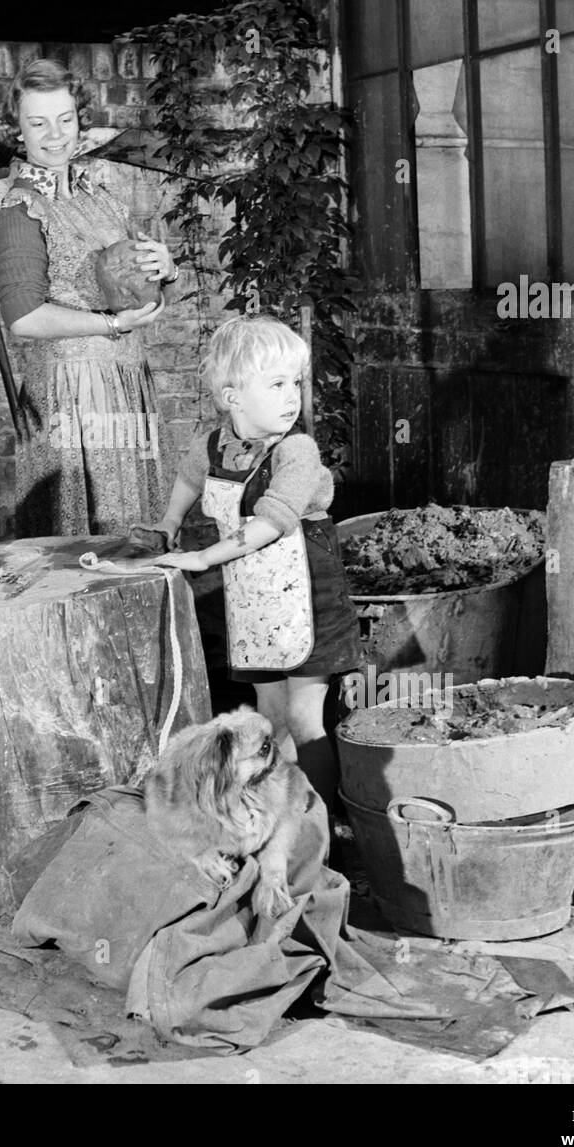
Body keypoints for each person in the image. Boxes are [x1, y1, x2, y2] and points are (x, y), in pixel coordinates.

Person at [153, 316, 361, 817]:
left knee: (303, 716)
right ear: (232, 398)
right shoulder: (213, 446)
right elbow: (189, 477)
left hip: (309, 601)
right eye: (277, 385)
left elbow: (271, 523)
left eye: (296, 383)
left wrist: (203, 557)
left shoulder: (297, 451)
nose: (293, 397)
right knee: (269, 719)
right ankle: (278, 813)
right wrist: (169, 522)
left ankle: (321, 823)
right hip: (253, 604)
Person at [0, 58, 179, 537]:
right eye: (37, 123)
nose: (54, 135)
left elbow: (139, 294)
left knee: (138, 528)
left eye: (65, 119)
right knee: (79, 539)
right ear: (16, 130)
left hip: (128, 382)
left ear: (80, 120)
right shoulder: (20, 209)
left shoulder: (101, 196)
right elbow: (24, 318)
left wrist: (164, 270)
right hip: (68, 395)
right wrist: (112, 326)